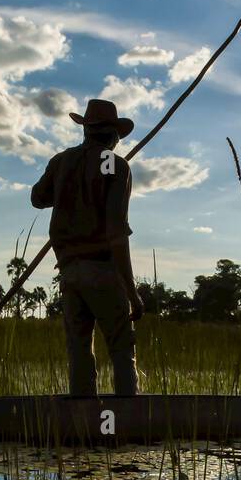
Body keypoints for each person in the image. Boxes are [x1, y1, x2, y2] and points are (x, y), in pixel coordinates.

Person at [31, 98, 143, 397]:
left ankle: (83, 420)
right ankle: (126, 421)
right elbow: (116, 231)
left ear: (86, 131)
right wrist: (131, 293)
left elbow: (37, 198)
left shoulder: (61, 161)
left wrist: (70, 184)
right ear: (113, 136)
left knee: (79, 350)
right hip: (103, 270)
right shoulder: (116, 166)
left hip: (69, 273)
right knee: (121, 348)